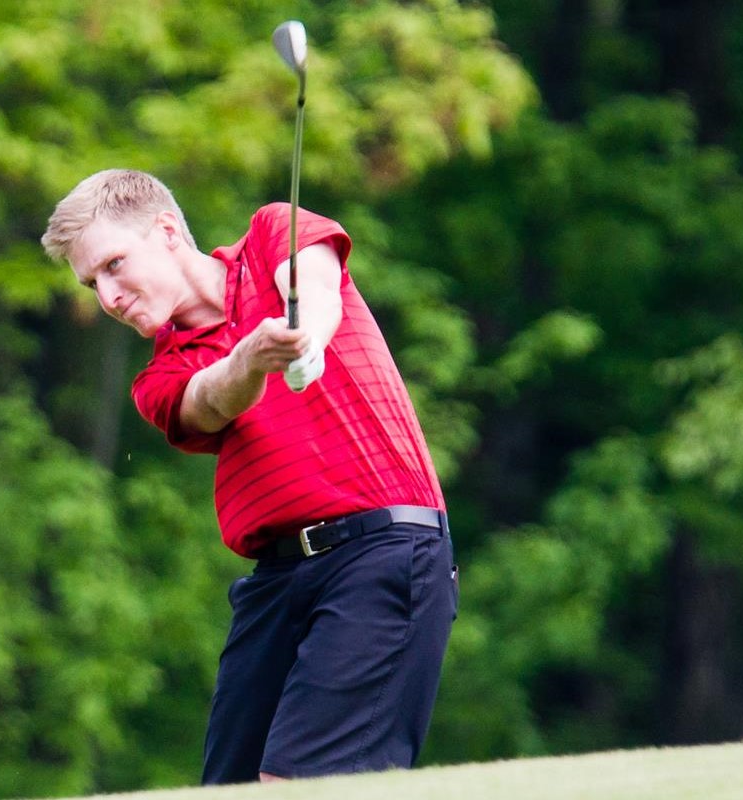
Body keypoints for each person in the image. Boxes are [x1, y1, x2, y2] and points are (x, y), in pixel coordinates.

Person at [39, 169, 457, 784]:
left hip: (384, 551)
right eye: (91, 283)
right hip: (277, 581)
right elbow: (211, 399)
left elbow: (317, 288)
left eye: (113, 265)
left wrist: (307, 339)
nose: (108, 297)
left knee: (297, 785)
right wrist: (252, 359)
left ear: (166, 231)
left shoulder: (270, 233)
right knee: (227, 788)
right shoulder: (159, 378)